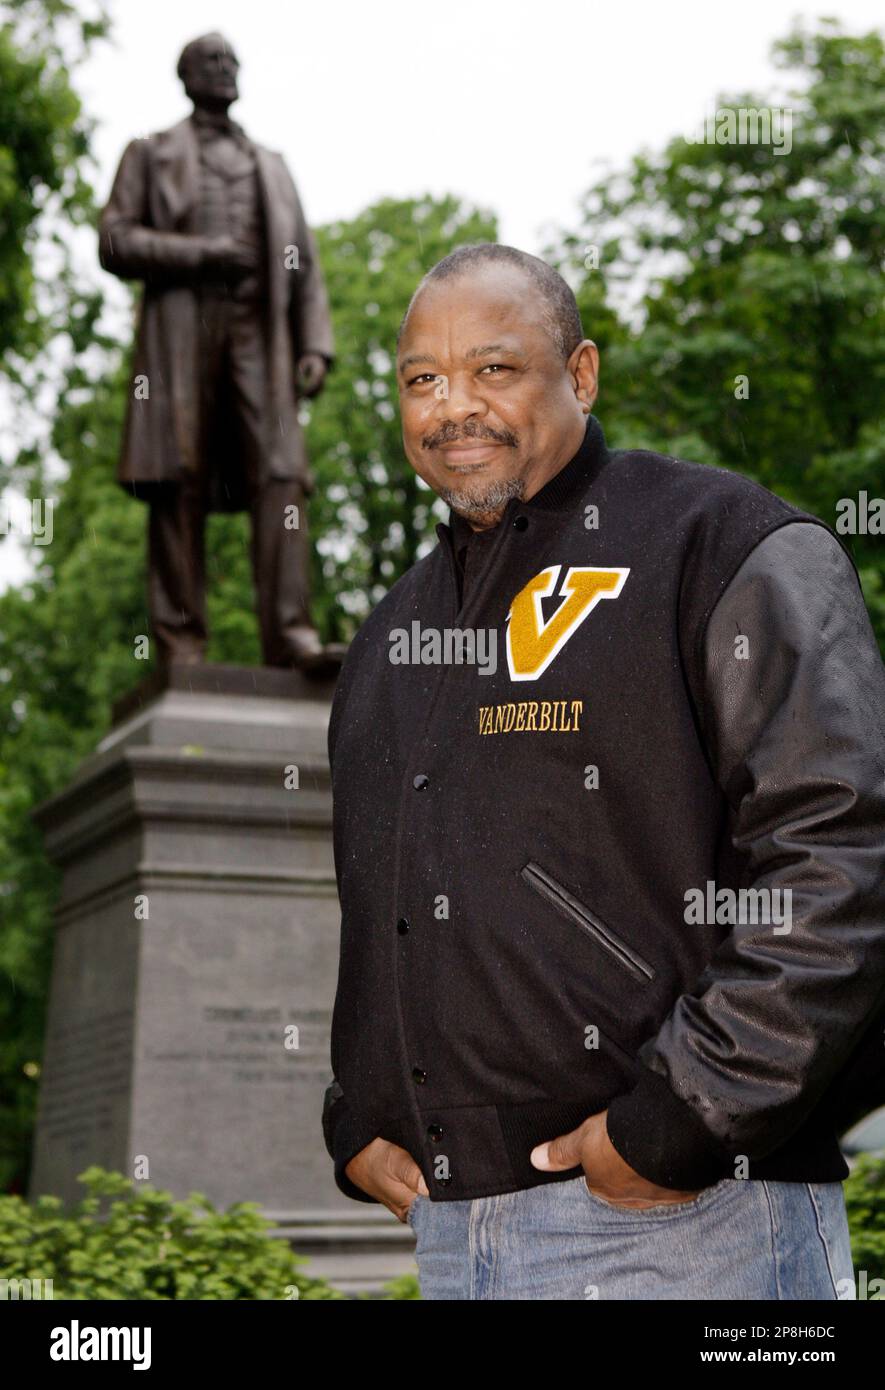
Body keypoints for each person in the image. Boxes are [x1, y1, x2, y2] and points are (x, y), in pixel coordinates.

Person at [322, 243, 885, 1299]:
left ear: (580, 374)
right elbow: (379, 900)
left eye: (494, 369)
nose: (453, 407)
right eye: (421, 379)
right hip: (453, 1237)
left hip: (690, 1223)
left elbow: (844, 855)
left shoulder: (722, 544)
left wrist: (680, 1123)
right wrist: (355, 1116)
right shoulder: (390, 636)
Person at [99, 32, 341, 673]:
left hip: (262, 333)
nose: (225, 68)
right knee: (177, 476)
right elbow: (114, 241)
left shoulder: (272, 163)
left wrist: (315, 341)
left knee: (282, 475)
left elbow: (306, 264)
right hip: (180, 332)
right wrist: (202, 254)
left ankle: (292, 636)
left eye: (232, 60)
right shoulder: (151, 152)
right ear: (185, 76)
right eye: (211, 60)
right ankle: (179, 647)